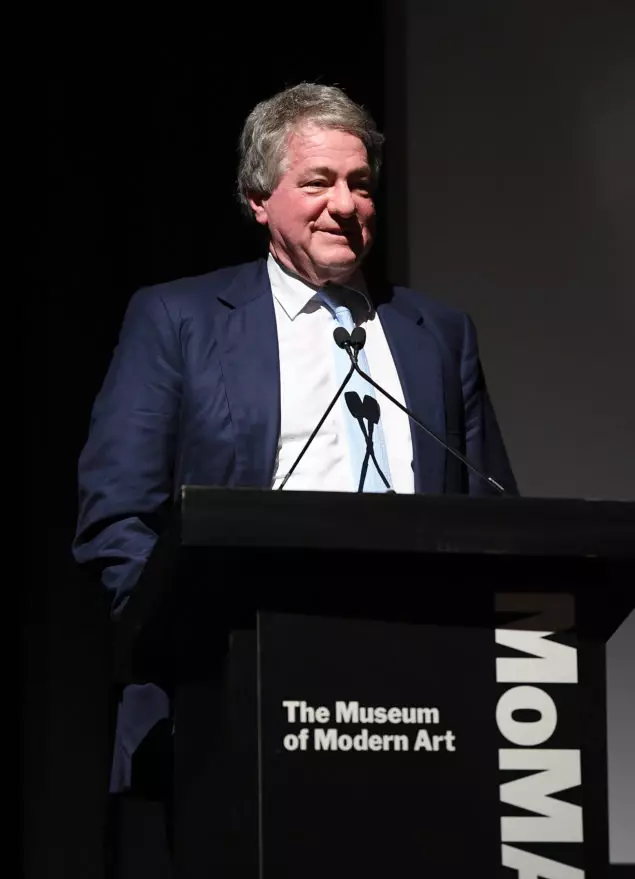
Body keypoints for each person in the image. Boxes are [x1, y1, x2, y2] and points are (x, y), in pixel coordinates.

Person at [73, 83, 517, 797]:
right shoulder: (179, 320)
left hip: (423, 703)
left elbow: (494, 512)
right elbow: (116, 516)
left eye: (361, 184)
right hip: (234, 701)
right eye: (318, 182)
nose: (346, 204)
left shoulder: (437, 334)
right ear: (259, 200)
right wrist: (192, 636)